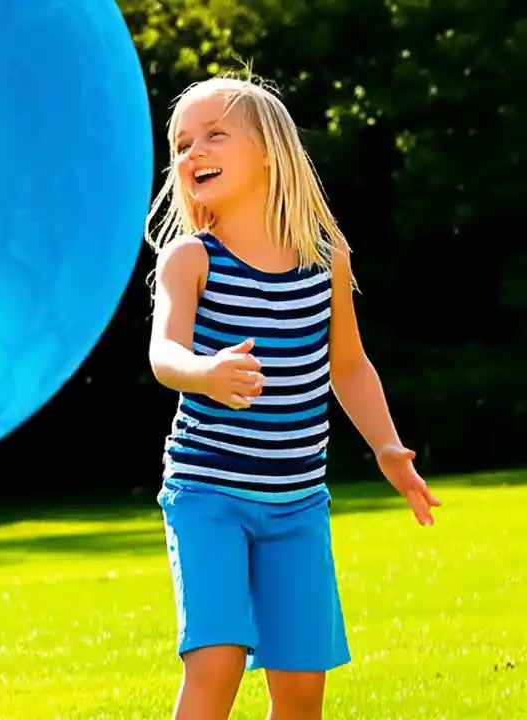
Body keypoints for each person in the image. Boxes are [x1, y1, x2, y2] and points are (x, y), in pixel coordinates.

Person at [143, 72, 442, 720]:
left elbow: (351, 366)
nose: (192, 152)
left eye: (214, 135)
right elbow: (163, 354)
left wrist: (388, 448)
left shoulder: (324, 257)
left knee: (302, 688)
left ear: (270, 151)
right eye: (182, 143)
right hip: (208, 494)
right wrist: (202, 371)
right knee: (217, 658)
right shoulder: (190, 260)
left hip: (298, 502)